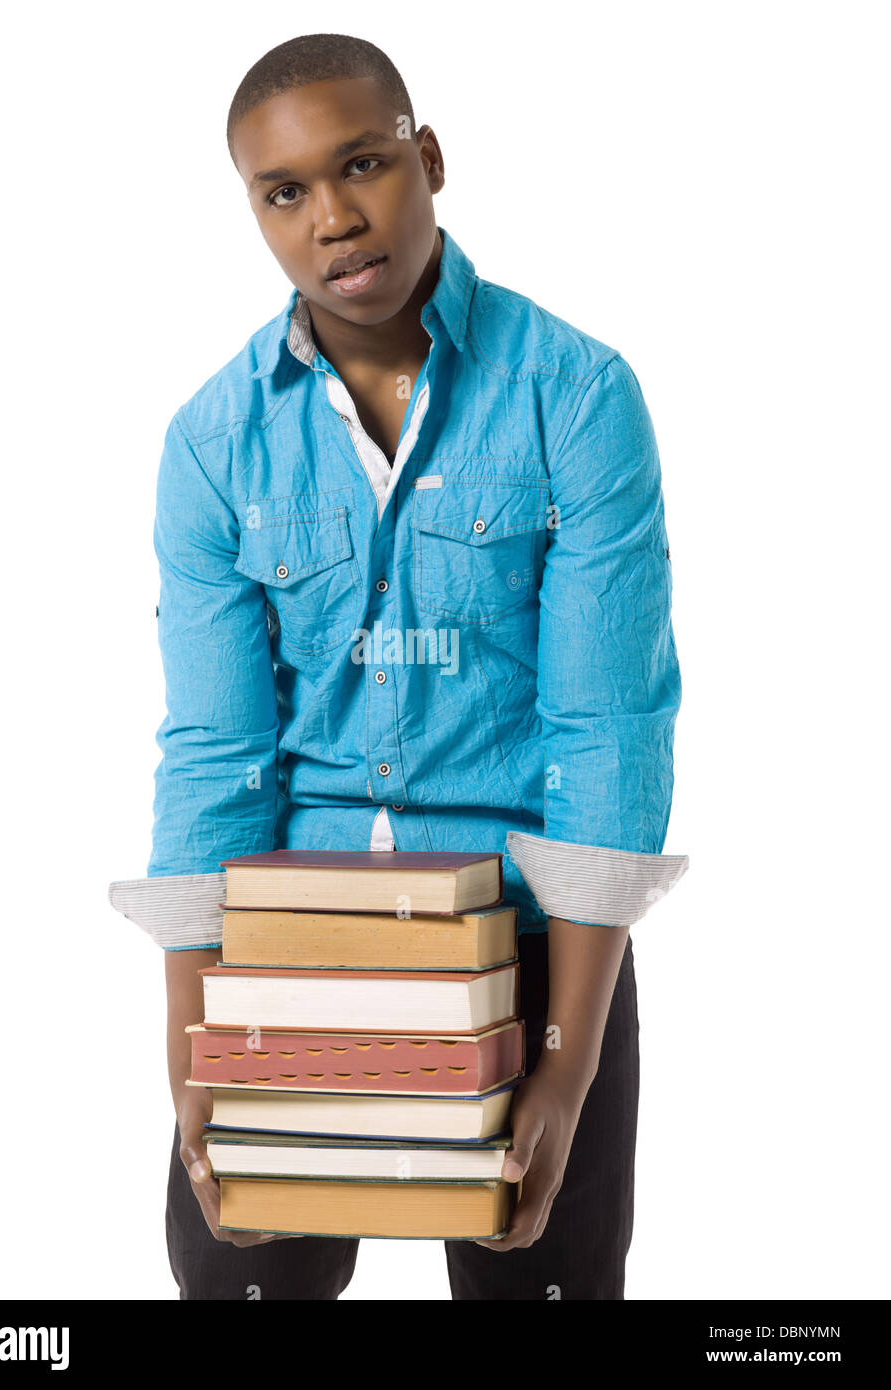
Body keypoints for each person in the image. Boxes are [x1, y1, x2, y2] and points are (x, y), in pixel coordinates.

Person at [122, 32, 688, 1300]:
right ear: (256, 212)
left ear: (426, 158)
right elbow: (215, 756)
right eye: (284, 192)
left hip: (539, 942)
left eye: (363, 164)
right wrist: (194, 1056)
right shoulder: (214, 445)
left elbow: (609, 731)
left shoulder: (576, 397)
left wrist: (562, 1066)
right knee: (238, 1287)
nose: (334, 218)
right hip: (287, 946)